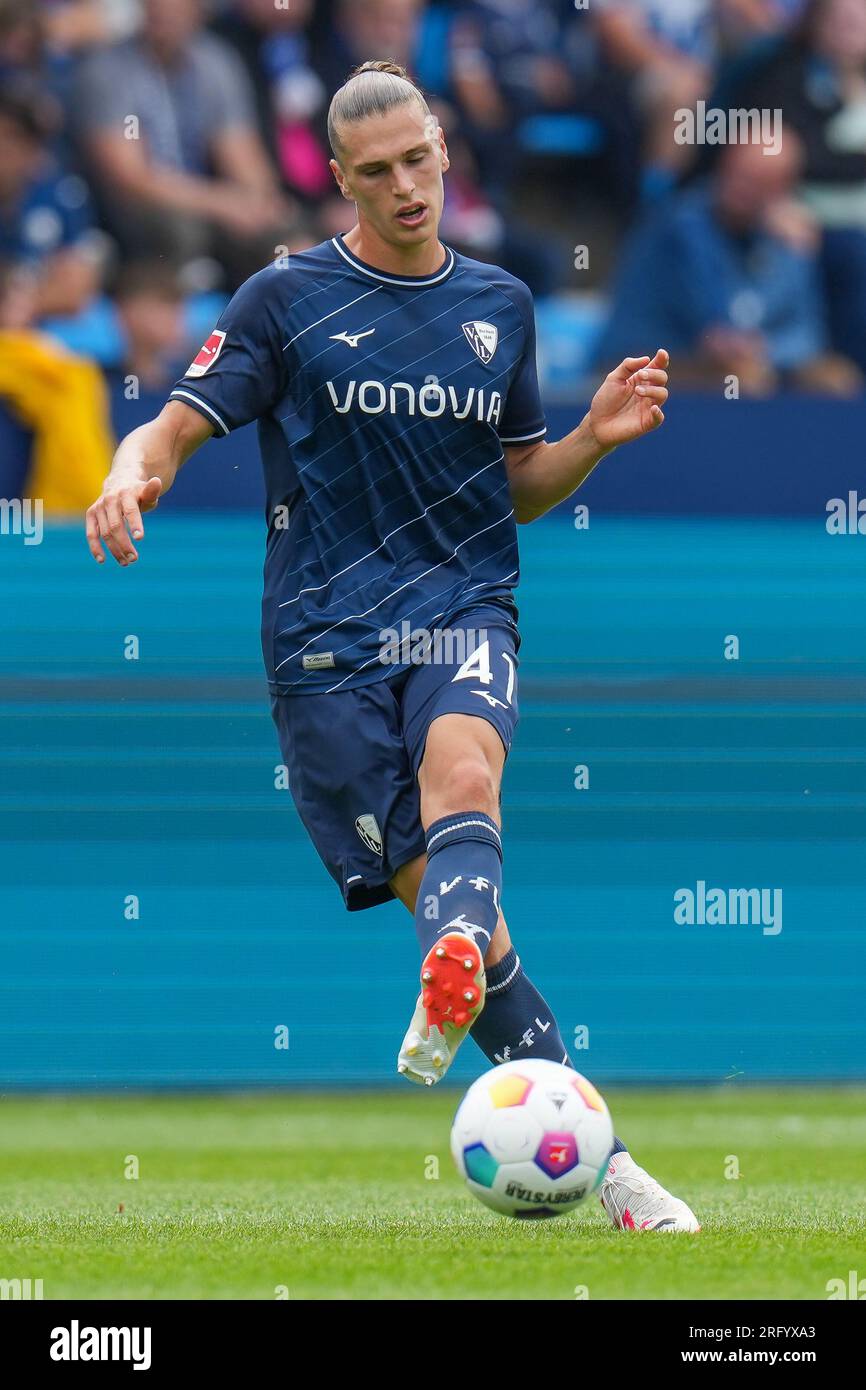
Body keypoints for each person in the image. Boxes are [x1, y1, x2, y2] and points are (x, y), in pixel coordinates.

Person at [85, 60, 699, 1233]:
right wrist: (130, 468)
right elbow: (177, 422)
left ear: (443, 150)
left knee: (467, 773)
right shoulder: (287, 299)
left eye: (419, 159)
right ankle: (602, 1156)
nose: (406, 186)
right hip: (324, 643)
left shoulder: (502, 305)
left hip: (464, 604)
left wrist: (594, 440)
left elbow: (515, 488)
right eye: (376, 173)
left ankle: (460, 958)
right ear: (340, 180)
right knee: (476, 937)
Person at [595, 134, 861, 394]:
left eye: (758, 182)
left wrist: (765, 346)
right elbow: (715, 326)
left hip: (748, 363)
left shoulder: (787, 238)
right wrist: (746, 347)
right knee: (744, 378)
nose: (741, 189)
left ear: (784, 190)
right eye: (737, 175)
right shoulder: (680, 226)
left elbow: (807, 334)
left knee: (836, 378)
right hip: (646, 365)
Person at [72, 0, 293, 285]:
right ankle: (188, 323)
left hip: (204, 199)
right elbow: (131, 178)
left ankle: (284, 319)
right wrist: (222, 204)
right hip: (134, 209)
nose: (163, 9)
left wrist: (261, 203)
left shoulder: (216, 61)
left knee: (286, 225)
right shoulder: (107, 71)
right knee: (180, 229)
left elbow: (243, 156)